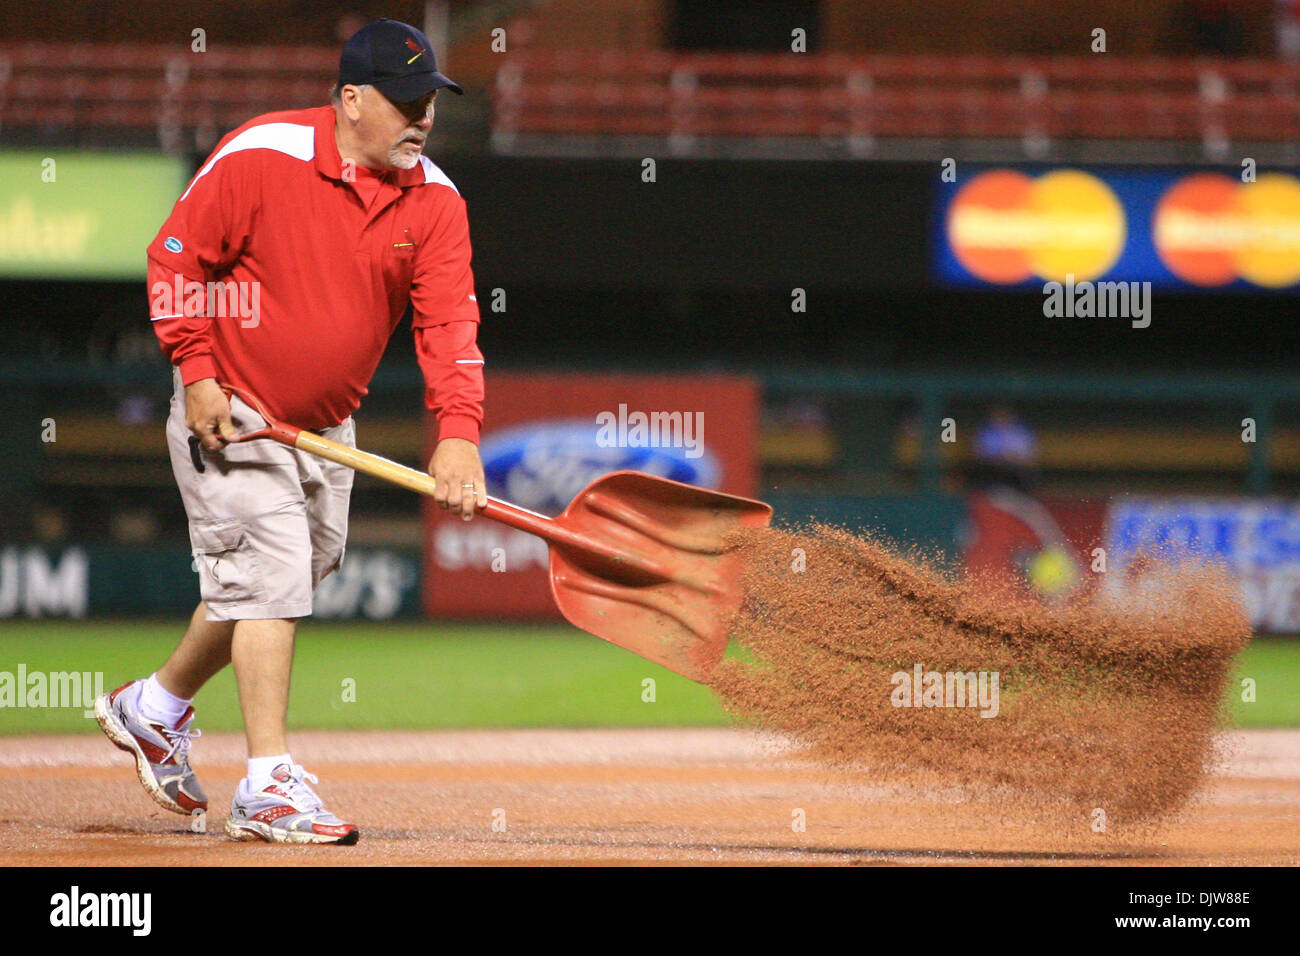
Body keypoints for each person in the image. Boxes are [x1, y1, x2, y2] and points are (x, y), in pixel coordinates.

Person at [93, 19, 486, 845]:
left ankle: (153, 706)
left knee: (282, 579)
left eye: (431, 103)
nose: (423, 118)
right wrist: (196, 373)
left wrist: (459, 433)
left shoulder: (437, 201)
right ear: (350, 101)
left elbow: (449, 324)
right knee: (271, 574)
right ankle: (268, 784)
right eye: (405, 101)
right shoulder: (261, 153)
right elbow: (175, 261)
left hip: (321, 423)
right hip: (232, 408)